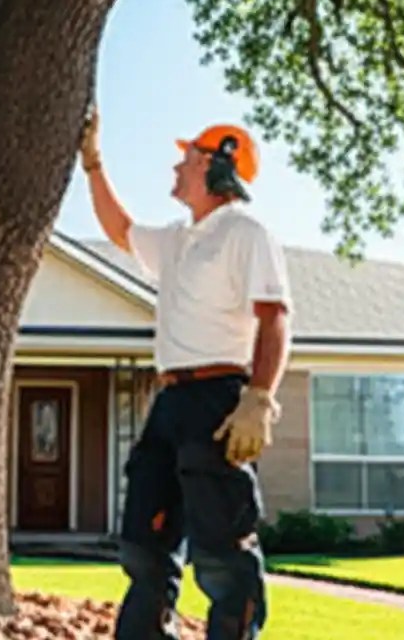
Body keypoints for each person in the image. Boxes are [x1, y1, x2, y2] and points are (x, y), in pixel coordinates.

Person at [79, 107, 292, 640]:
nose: (176, 166)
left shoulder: (245, 231)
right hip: (169, 401)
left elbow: (275, 316)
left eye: (187, 158)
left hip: (219, 400)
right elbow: (122, 230)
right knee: (143, 545)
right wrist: (93, 163)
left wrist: (259, 397)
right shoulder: (177, 239)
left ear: (218, 166)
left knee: (222, 552)